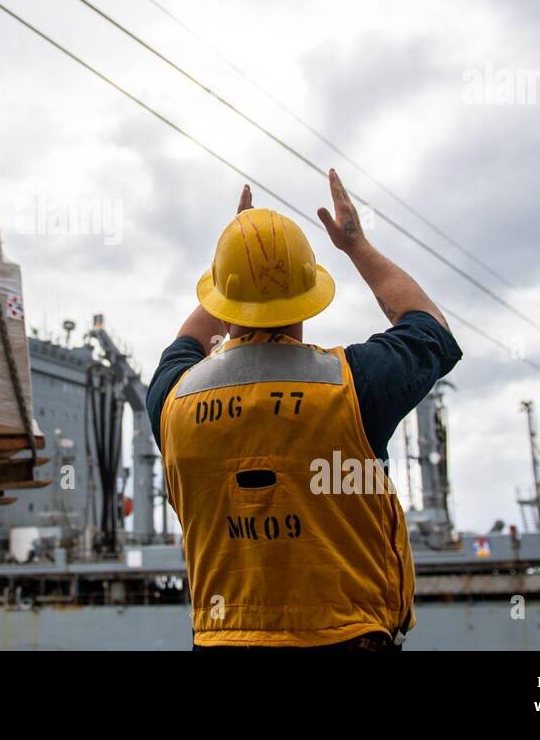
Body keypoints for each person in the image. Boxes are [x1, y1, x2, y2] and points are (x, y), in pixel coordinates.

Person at [146, 170, 462, 650]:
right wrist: (356, 245)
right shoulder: (355, 385)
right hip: (348, 637)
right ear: (308, 299)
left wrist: (236, 257)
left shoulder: (172, 402)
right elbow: (430, 328)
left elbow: (188, 341)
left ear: (221, 296)